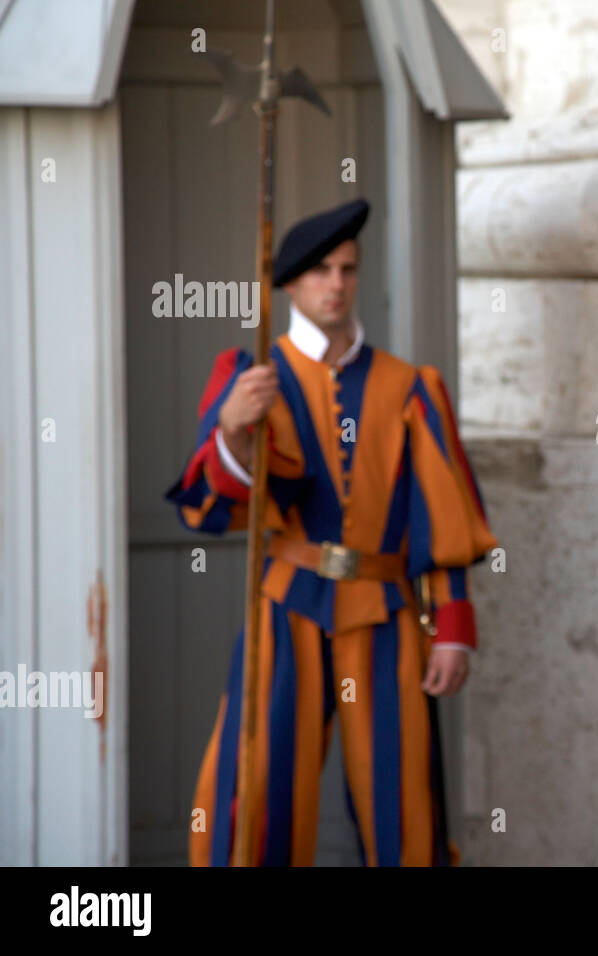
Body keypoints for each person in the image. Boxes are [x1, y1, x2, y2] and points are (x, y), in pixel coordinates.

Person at [165, 198, 497, 866]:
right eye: (320, 270)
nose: (336, 283)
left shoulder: (411, 386)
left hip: (388, 612)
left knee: (404, 796)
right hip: (287, 604)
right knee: (255, 780)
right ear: (289, 282)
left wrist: (453, 628)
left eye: (347, 268)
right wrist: (232, 426)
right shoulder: (250, 378)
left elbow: (442, 517)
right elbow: (206, 509)